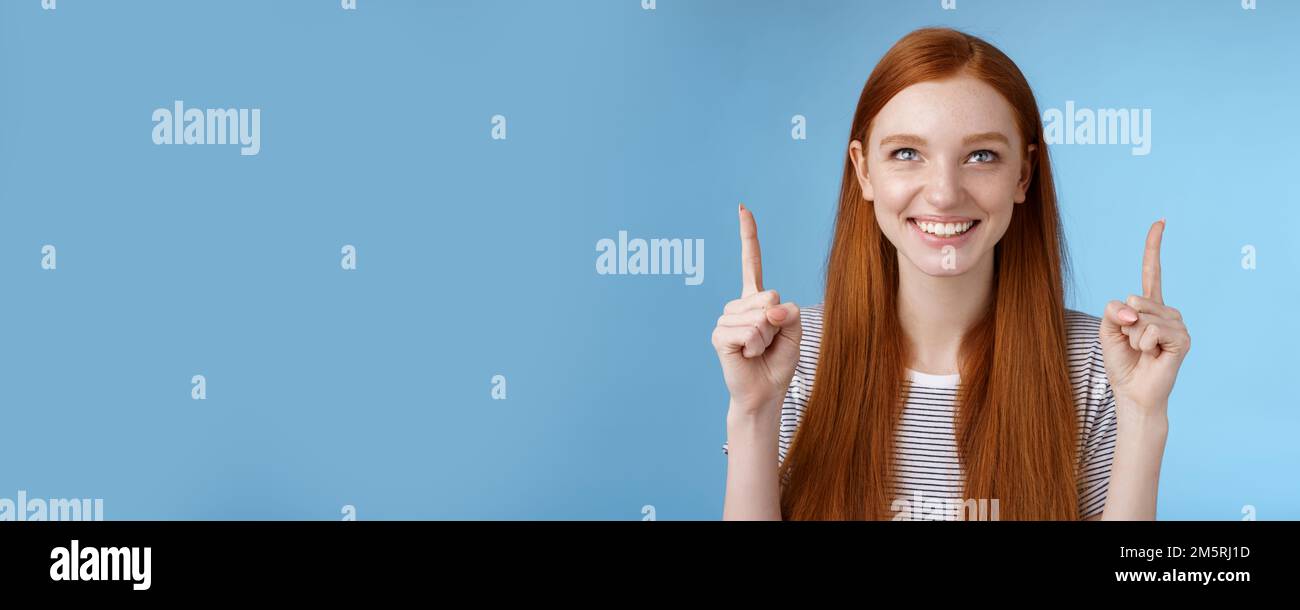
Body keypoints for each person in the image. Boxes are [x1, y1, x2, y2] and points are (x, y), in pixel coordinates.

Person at [712, 28, 1191, 521]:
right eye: (906, 153)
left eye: (981, 156)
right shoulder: (792, 357)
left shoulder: (1098, 364)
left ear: (1023, 175)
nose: (943, 193)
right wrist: (752, 413)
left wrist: (1143, 416)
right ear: (864, 171)